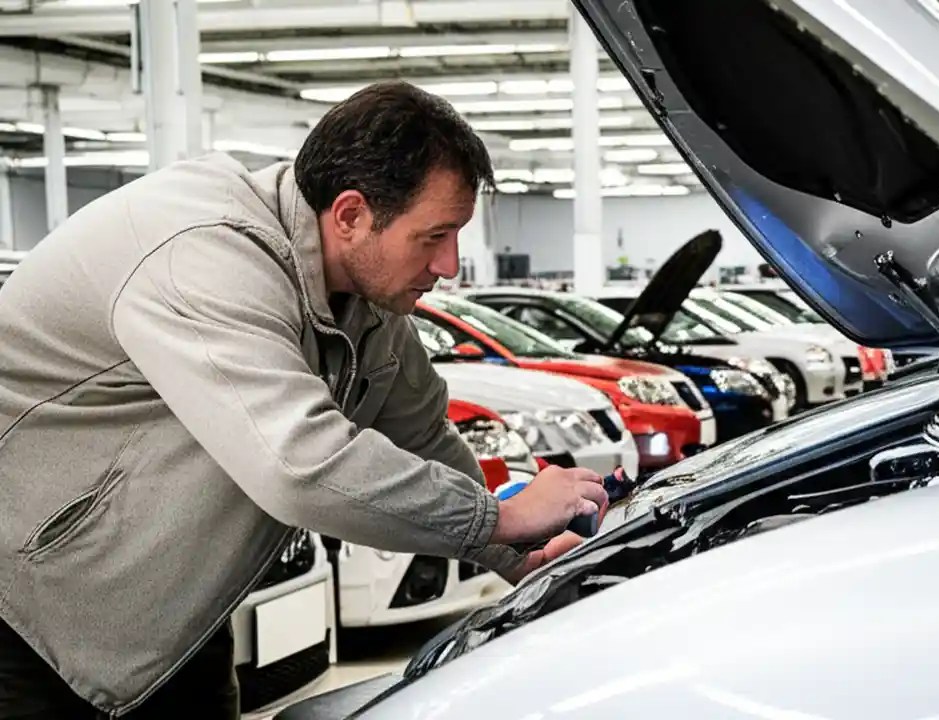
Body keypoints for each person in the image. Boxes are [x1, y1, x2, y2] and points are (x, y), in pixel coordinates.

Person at [0, 80, 607, 719]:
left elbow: (422, 435)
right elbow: (299, 464)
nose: (451, 264)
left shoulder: (369, 307)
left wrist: (521, 555)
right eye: (434, 237)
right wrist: (501, 520)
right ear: (350, 215)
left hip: (160, 618)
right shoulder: (205, 253)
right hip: (27, 616)